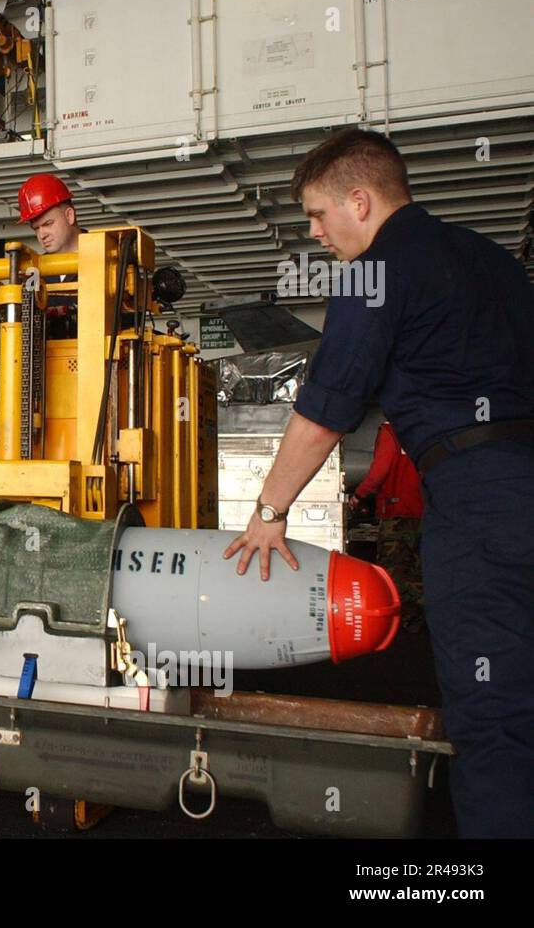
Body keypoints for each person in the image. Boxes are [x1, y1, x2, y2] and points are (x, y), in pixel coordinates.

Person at [222, 128, 534, 838]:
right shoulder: (494, 261)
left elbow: (324, 409)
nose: (315, 233)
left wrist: (268, 512)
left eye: (317, 215)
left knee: (494, 719)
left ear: (359, 201)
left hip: (479, 504)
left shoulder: (376, 272)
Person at [350, 421, 425, 631]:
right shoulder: (427, 426)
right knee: (420, 567)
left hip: (397, 511)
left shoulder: (392, 431)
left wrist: (360, 494)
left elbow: (380, 469)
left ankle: (398, 620)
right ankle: (417, 619)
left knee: (393, 571)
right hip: (427, 511)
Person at [17, 174, 85, 338]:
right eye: (36, 228)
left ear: (69, 216)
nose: (42, 235)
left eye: (48, 224)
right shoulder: (33, 271)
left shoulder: (107, 257)